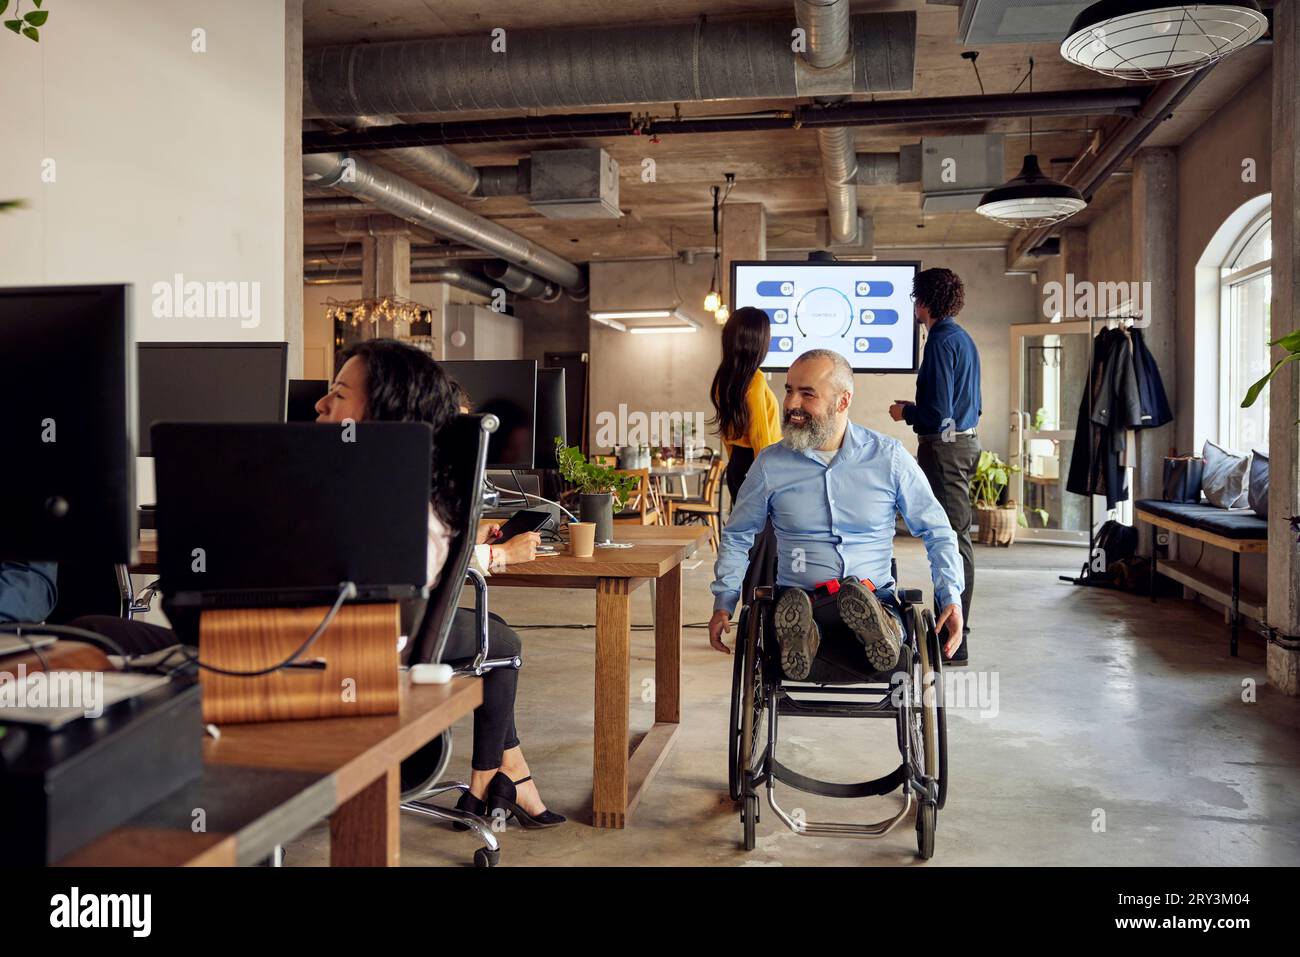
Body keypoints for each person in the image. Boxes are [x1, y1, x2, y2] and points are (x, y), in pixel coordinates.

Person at [77, 340, 562, 829]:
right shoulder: (362, 491)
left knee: (91, 647)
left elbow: (347, 594)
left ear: (385, 411)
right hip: (273, 650)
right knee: (90, 634)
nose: (319, 404)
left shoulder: (384, 507)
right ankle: (503, 779)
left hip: (297, 664)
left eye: (338, 393)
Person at [708, 349, 964, 683]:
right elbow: (738, 534)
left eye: (807, 394)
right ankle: (801, 636)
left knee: (869, 603)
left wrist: (951, 597)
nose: (791, 404)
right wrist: (723, 602)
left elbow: (937, 530)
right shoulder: (771, 464)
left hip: (873, 596)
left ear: (843, 402)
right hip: (800, 601)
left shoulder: (889, 458)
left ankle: (879, 628)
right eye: (789, 390)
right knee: (794, 610)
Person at [888, 268, 981, 665]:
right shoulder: (961, 338)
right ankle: (953, 631)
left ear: (923, 302)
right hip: (962, 445)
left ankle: (954, 639)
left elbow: (939, 413)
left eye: (915, 300)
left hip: (945, 449)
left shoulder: (941, 342)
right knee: (954, 535)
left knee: (952, 538)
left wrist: (906, 411)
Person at [708, 306, 781, 601]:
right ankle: (762, 605)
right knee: (768, 544)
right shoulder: (756, 381)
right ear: (756, 341)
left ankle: (752, 607)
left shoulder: (723, 379)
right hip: (762, 466)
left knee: (748, 542)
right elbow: (763, 442)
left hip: (738, 465)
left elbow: (728, 435)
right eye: (768, 335)